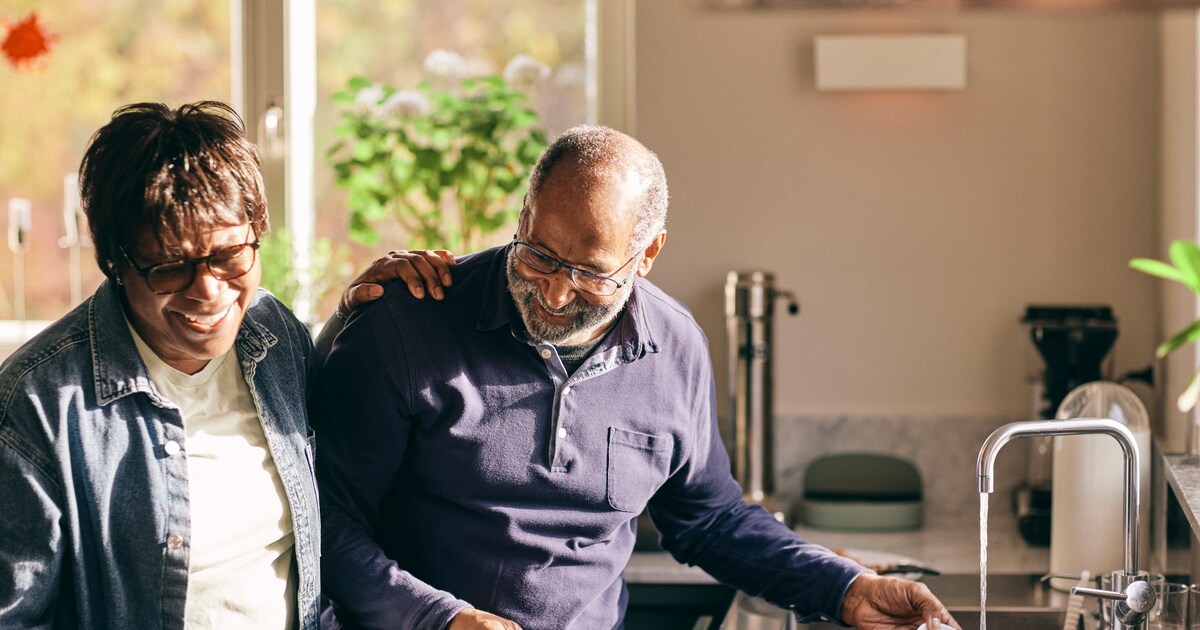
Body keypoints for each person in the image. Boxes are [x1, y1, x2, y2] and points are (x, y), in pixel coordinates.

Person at [313, 125, 958, 630]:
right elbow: (327, 523)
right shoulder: (407, 325)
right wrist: (440, 621)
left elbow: (711, 522)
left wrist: (846, 589)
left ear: (647, 253)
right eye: (538, 254)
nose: (557, 294)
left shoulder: (676, 351)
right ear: (523, 217)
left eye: (591, 271)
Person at [0, 101, 451, 629]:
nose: (209, 291)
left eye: (231, 256)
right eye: (171, 268)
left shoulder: (275, 334)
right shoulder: (38, 408)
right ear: (116, 263)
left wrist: (356, 318)